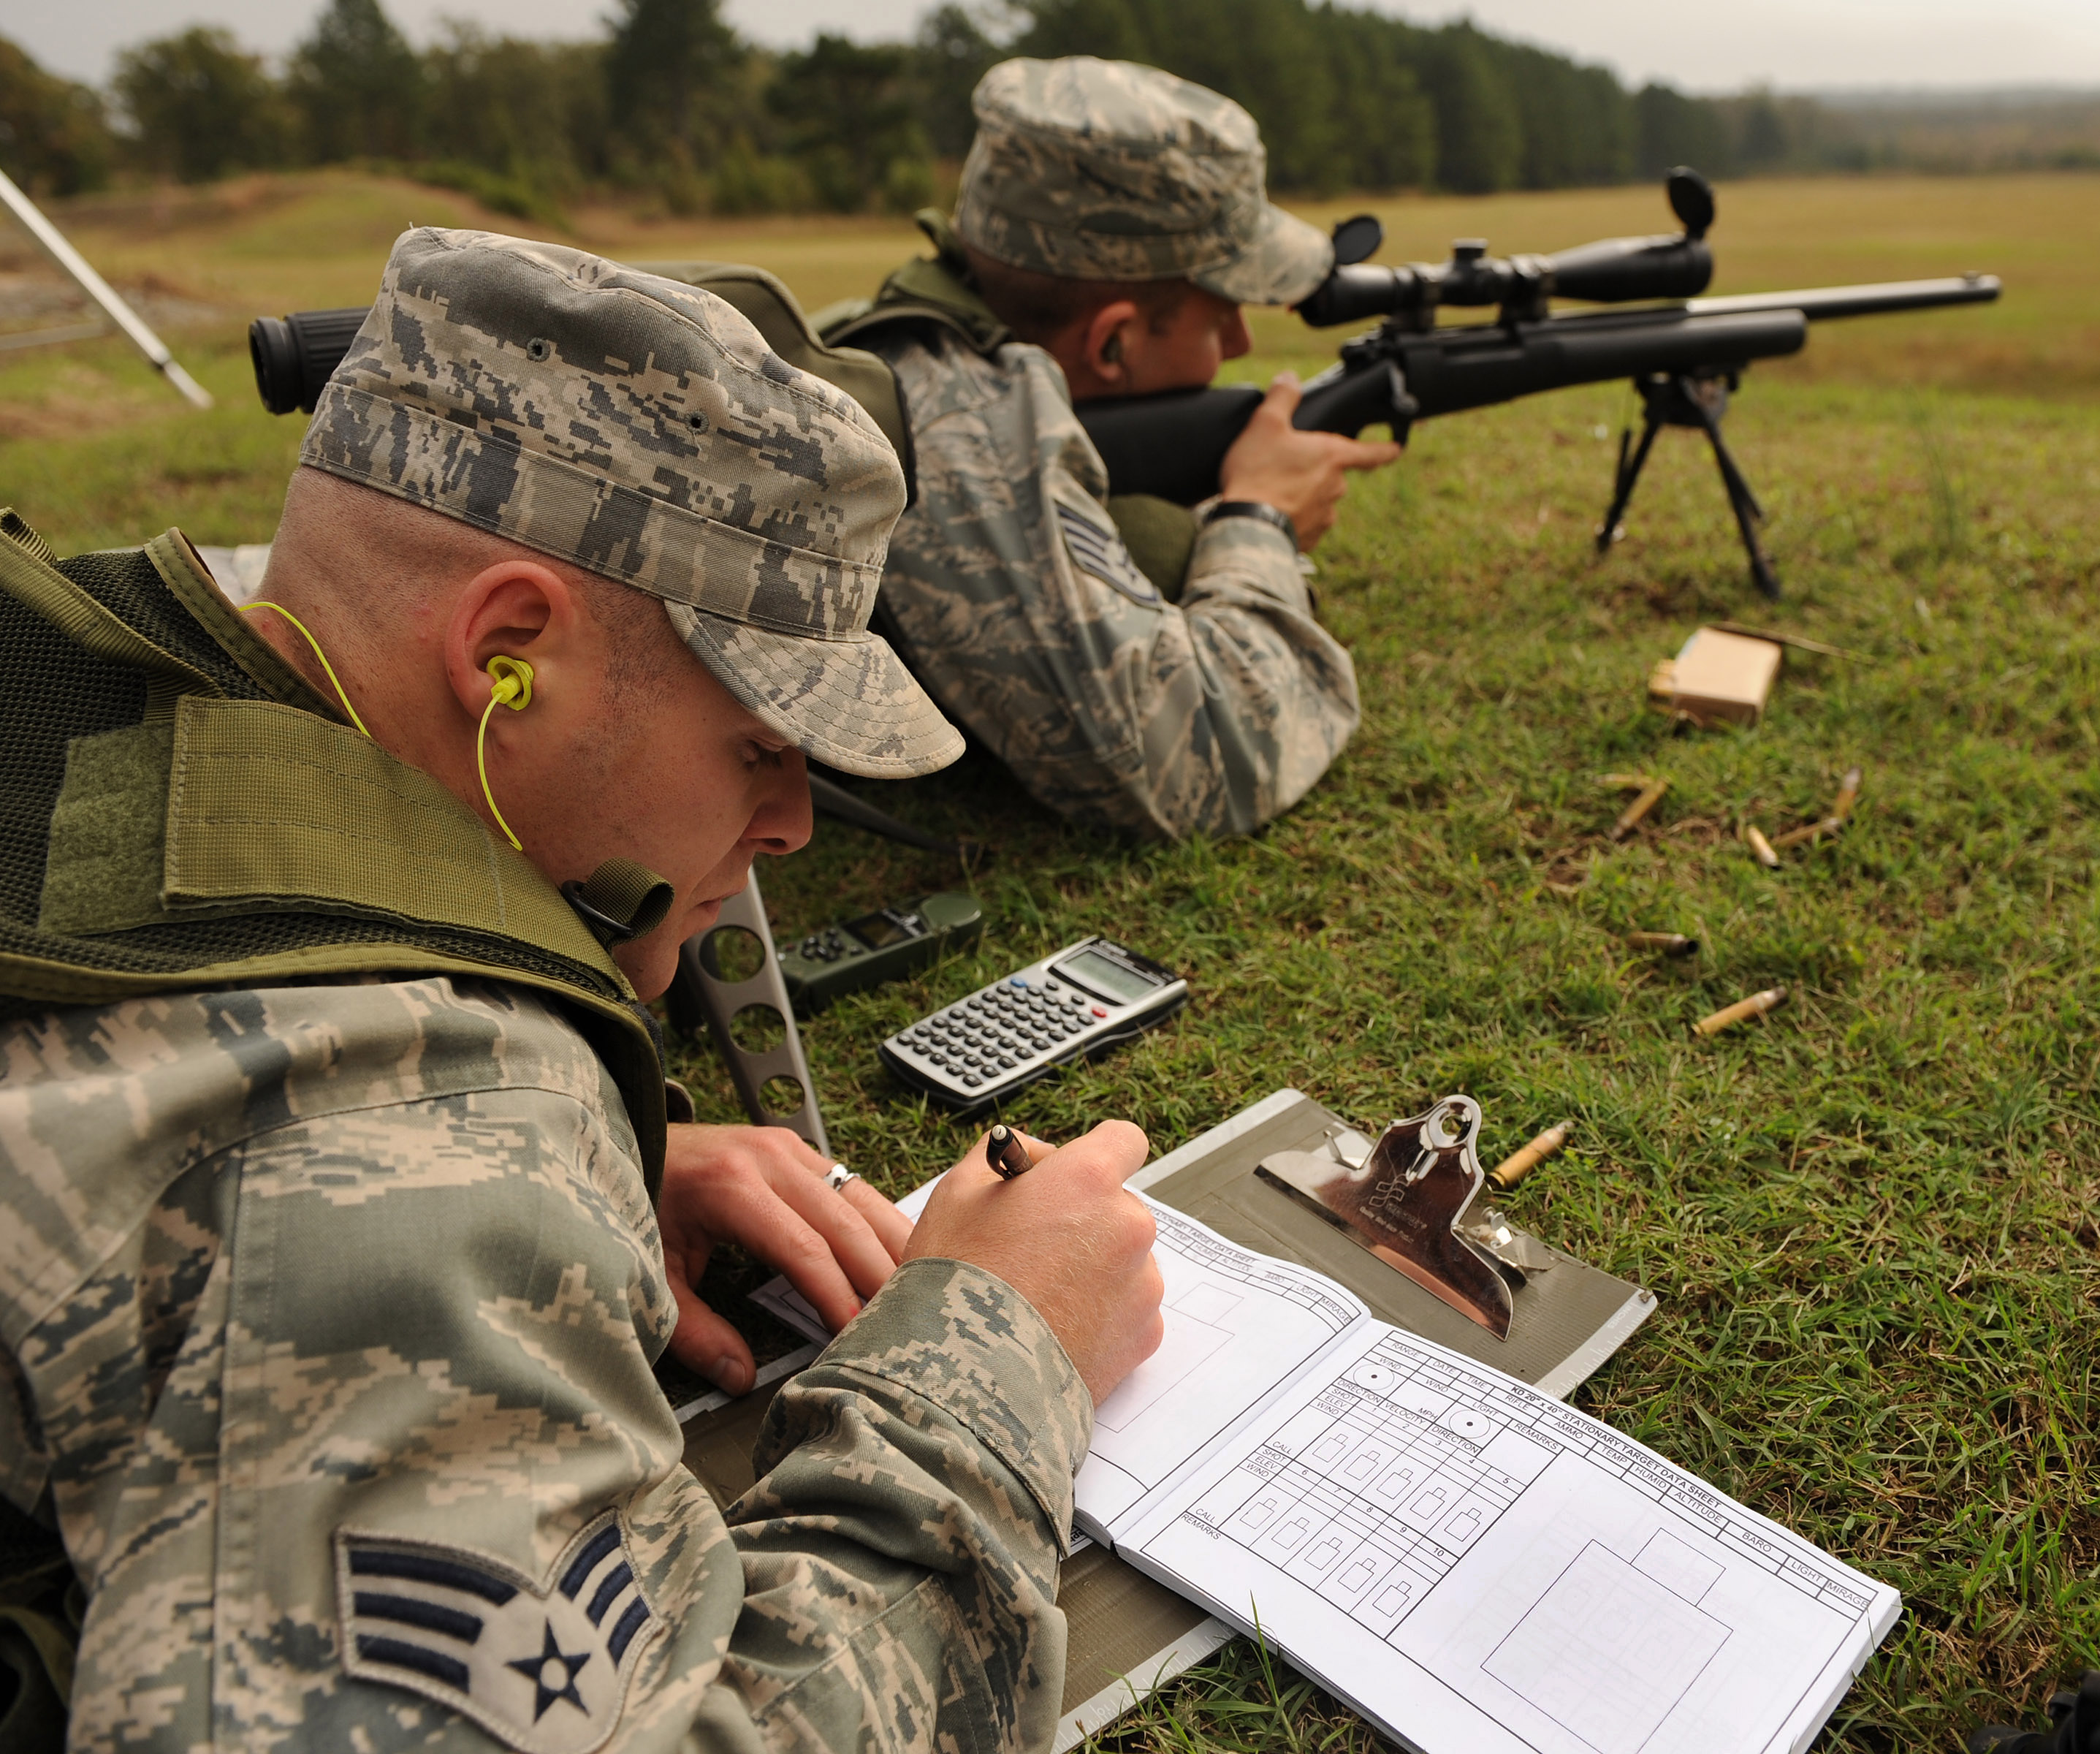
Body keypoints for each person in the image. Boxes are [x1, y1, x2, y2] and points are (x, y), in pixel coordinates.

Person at [0, 228, 1164, 1753]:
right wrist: (1000, 1353)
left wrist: (625, 1159)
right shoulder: (408, 1136)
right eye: (761, 743)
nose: (797, 825)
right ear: (507, 654)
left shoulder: (66, 708)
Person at [826, 56, 1401, 842]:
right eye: (1220, 316)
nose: (1240, 342)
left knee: (1150, 535)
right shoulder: (959, 431)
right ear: (1112, 343)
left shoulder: (918, 336)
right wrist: (1259, 520)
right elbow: (1205, 768)